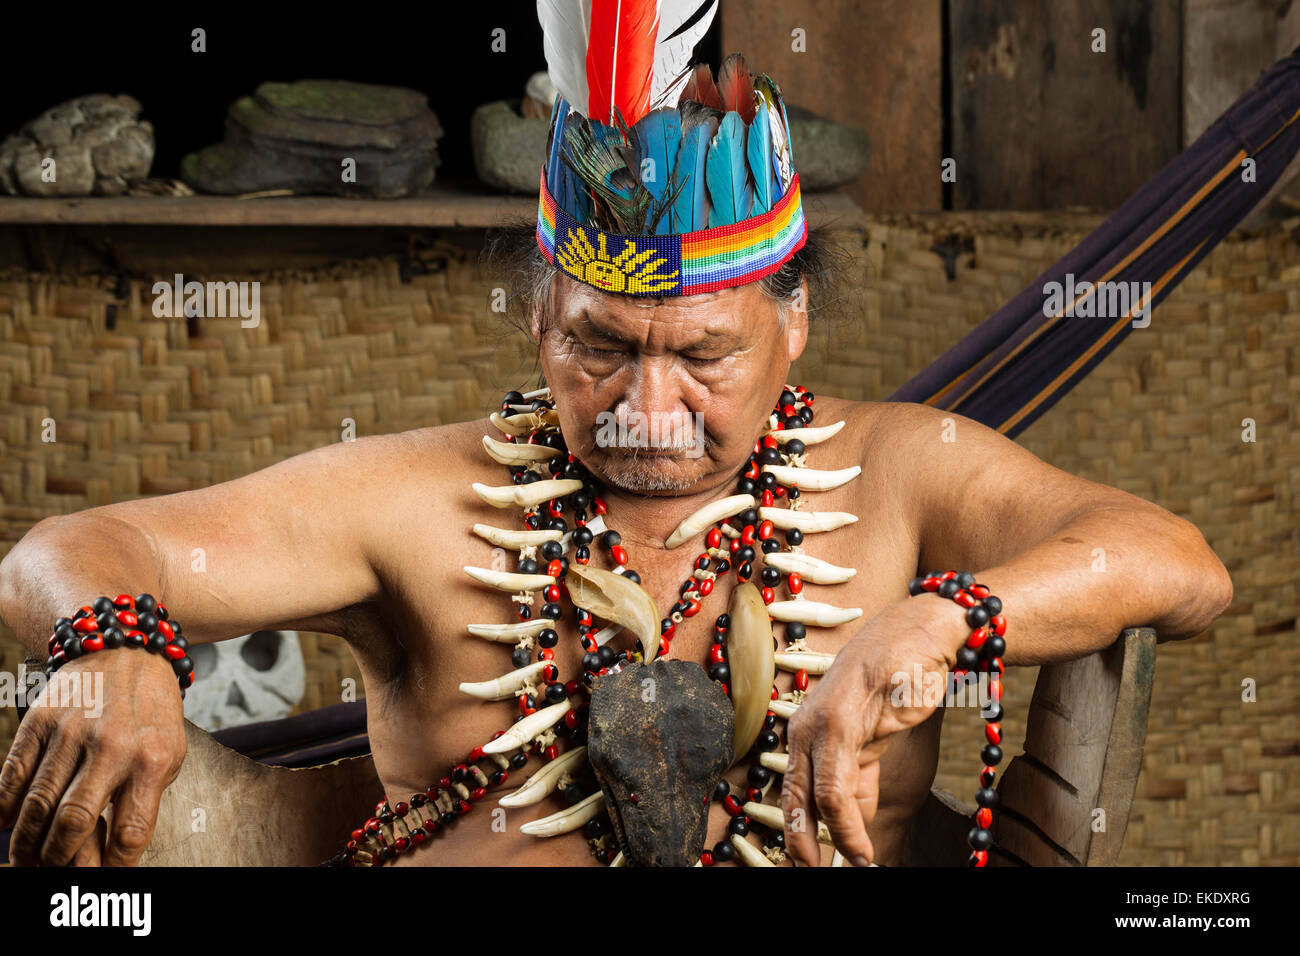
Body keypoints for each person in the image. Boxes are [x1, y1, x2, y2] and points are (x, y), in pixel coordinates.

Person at [0, 1, 1234, 865]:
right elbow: (68, 547)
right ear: (539, 313)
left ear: (791, 318)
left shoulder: (900, 473)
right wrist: (112, 643)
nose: (648, 409)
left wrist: (940, 617)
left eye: (703, 355)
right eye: (599, 346)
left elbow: (1171, 559)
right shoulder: (414, 498)